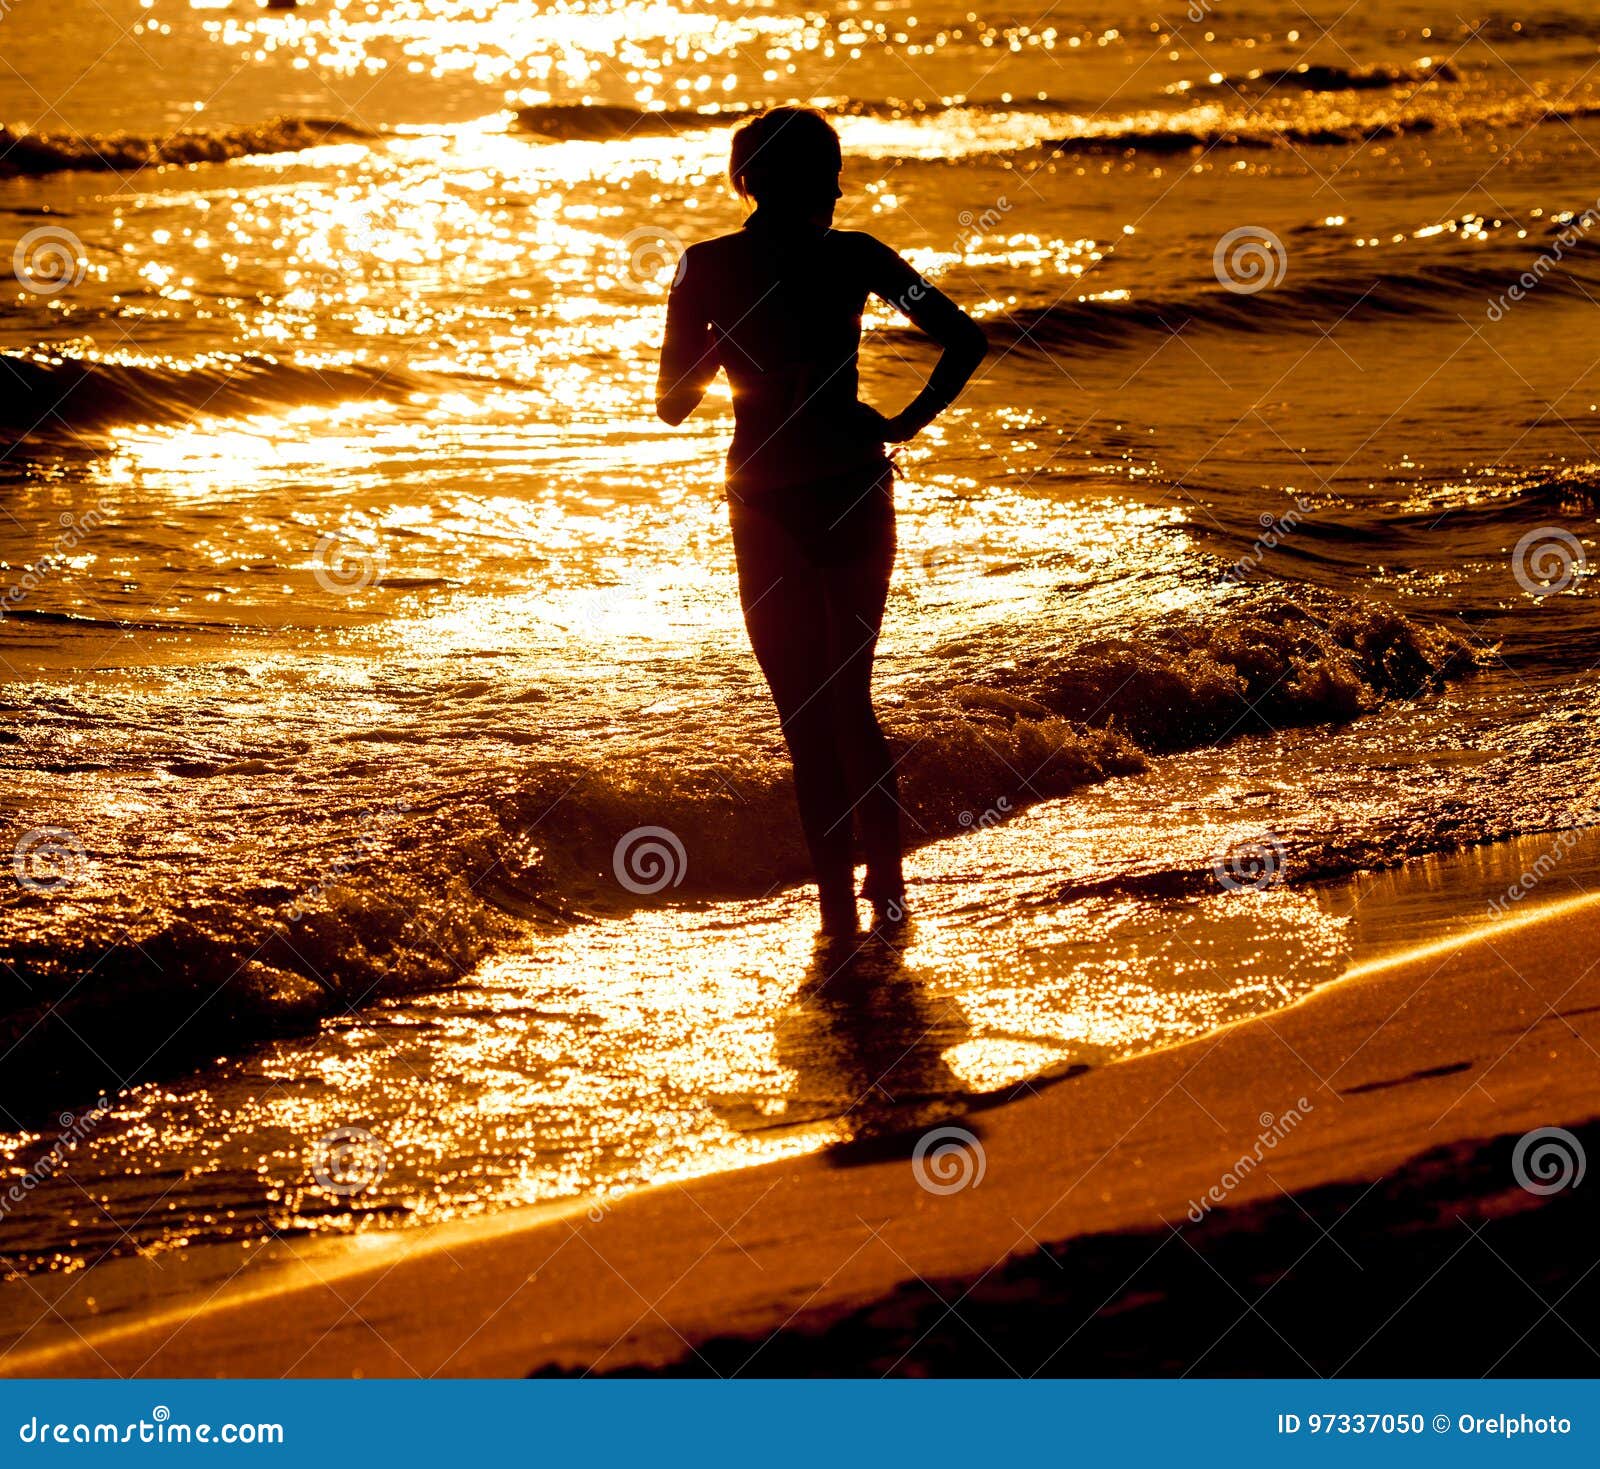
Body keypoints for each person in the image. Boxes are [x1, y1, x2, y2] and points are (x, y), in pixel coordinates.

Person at [656, 106, 986, 936]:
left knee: (804, 716)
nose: (839, 189)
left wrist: (730, 341)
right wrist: (905, 421)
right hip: (852, 486)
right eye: (830, 173)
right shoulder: (859, 257)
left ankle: (839, 908)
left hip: (764, 501)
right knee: (852, 702)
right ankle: (888, 891)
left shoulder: (704, 266)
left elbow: (671, 405)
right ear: (804, 181)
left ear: (747, 179)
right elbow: (964, 338)